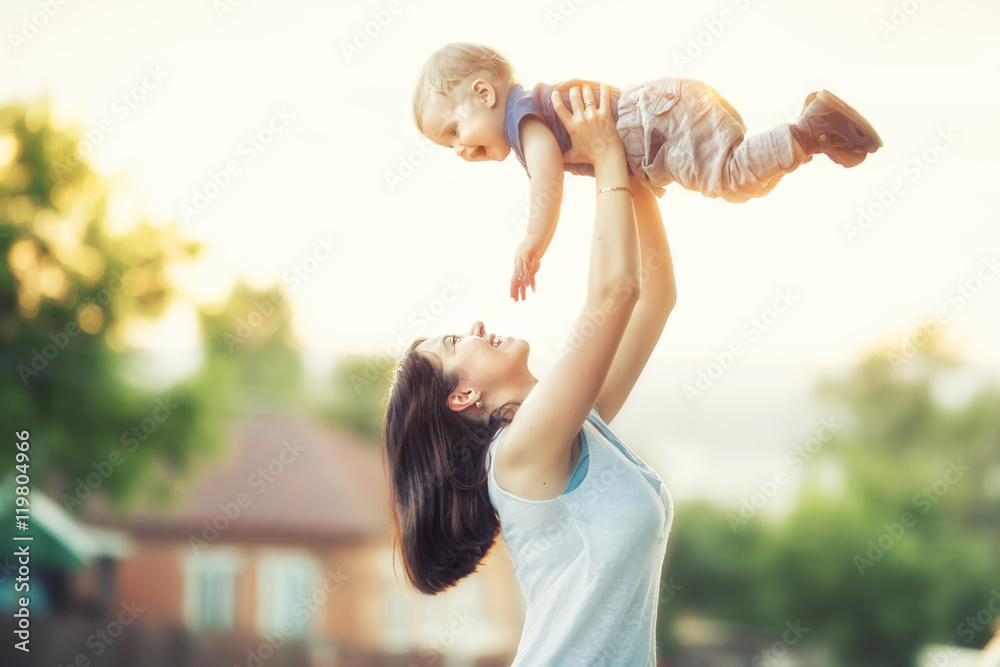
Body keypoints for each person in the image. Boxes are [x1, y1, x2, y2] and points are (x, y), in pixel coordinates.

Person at [384, 83, 676, 665]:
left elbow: (654, 297)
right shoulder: (518, 457)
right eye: (453, 343)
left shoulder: (574, 430)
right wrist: (609, 157)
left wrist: (621, 165)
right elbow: (615, 293)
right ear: (462, 394)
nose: (471, 326)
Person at [412, 42, 884, 301]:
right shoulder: (528, 114)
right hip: (665, 115)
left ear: (484, 92)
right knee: (740, 182)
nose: (457, 149)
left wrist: (534, 240)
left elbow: (547, 180)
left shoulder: (524, 121)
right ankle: (813, 131)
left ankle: (811, 130)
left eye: (453, 131)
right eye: (447, 144)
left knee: (734, 177)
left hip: (657, 123)